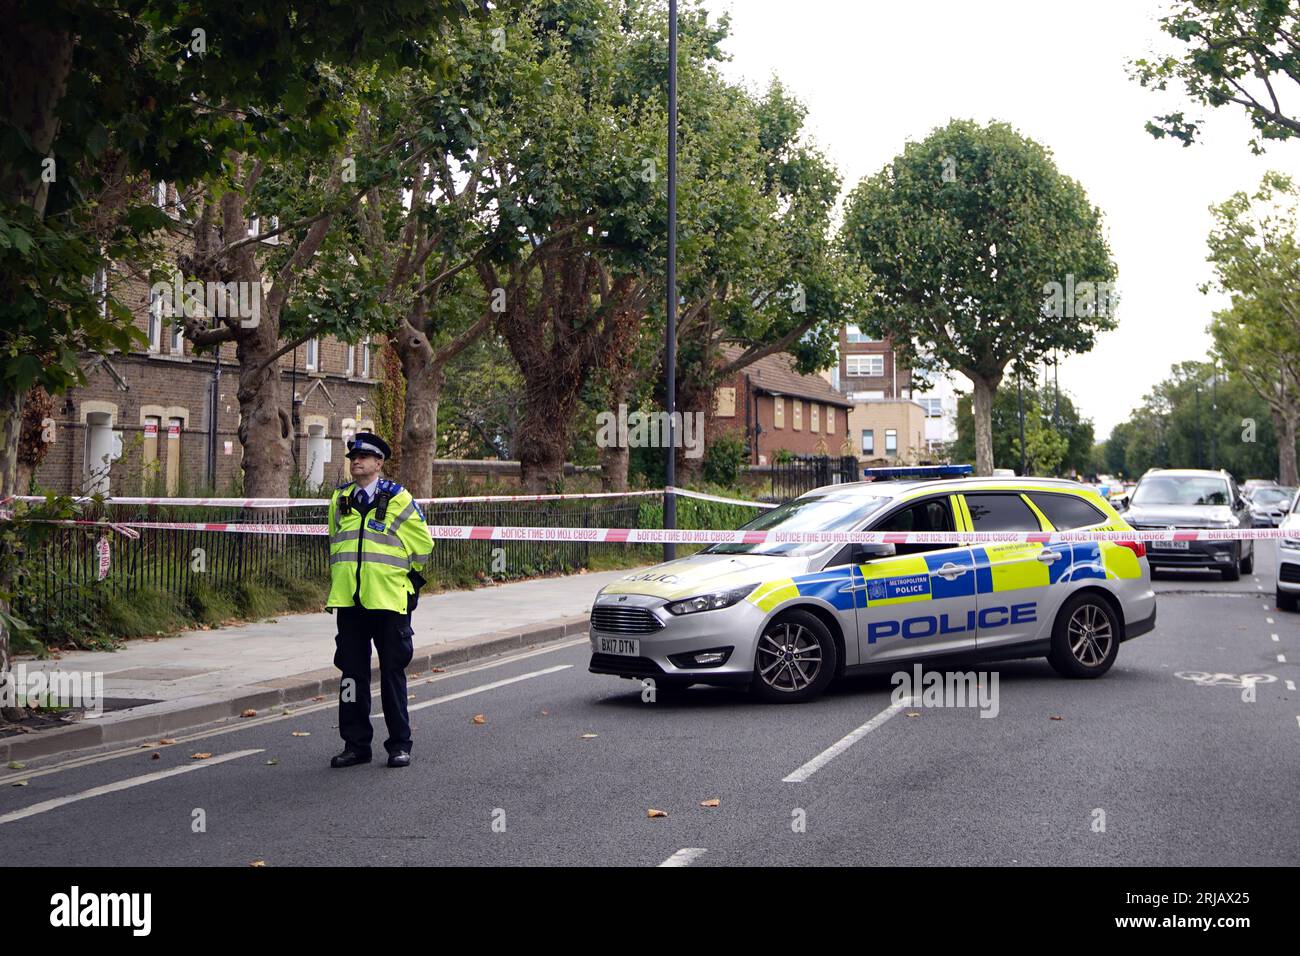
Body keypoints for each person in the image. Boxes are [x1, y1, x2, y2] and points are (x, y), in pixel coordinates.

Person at [325, 431, 433, 768]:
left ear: (379, 463)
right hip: (350, 602)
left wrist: (409, 583)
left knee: (392, 674)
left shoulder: (398, 499)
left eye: (364, 457)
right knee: (351, 677)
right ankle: (355, 745)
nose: (356, 461)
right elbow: (334, 541)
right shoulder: (339, 499)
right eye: (353, 457)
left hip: (388, 602)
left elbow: (423, 546)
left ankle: (399, 744)